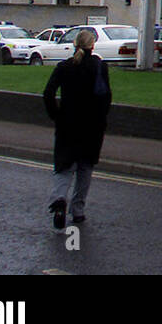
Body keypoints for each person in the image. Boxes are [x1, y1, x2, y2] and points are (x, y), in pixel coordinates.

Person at [43, 28, 111, 230]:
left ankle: (59, 199)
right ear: (92, 45)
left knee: (64, 165)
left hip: (67, 123)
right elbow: (106, 96)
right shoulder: (99, 66)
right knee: (85, 167)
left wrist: (56, 115)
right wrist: (101, 118)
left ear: (75, 45)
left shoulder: (64, 67)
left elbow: (48, 93)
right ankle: (78, 210)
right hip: (92, 125)